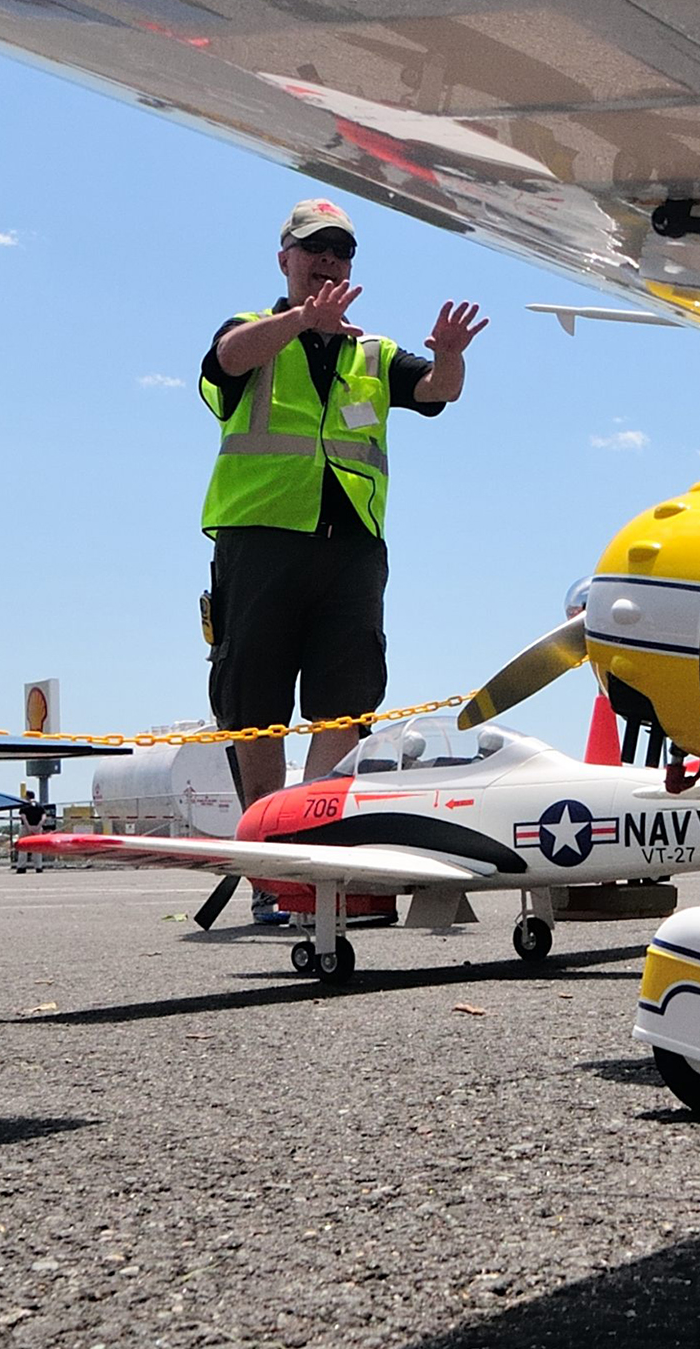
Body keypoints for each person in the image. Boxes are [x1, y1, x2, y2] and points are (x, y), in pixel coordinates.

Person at [199, 198, 485, 885]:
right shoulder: (252, 331)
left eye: (341, 251)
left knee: (345, 699)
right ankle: (271, 865)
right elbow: (225, 360)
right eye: (314, 248)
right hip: (262, 539)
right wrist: (300, 321)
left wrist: (449, 356)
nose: (329, 260)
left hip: (351, 549)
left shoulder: (373, 352)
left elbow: (437, 390)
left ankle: (321, 851)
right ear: (285, 260)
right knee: (255, 703)